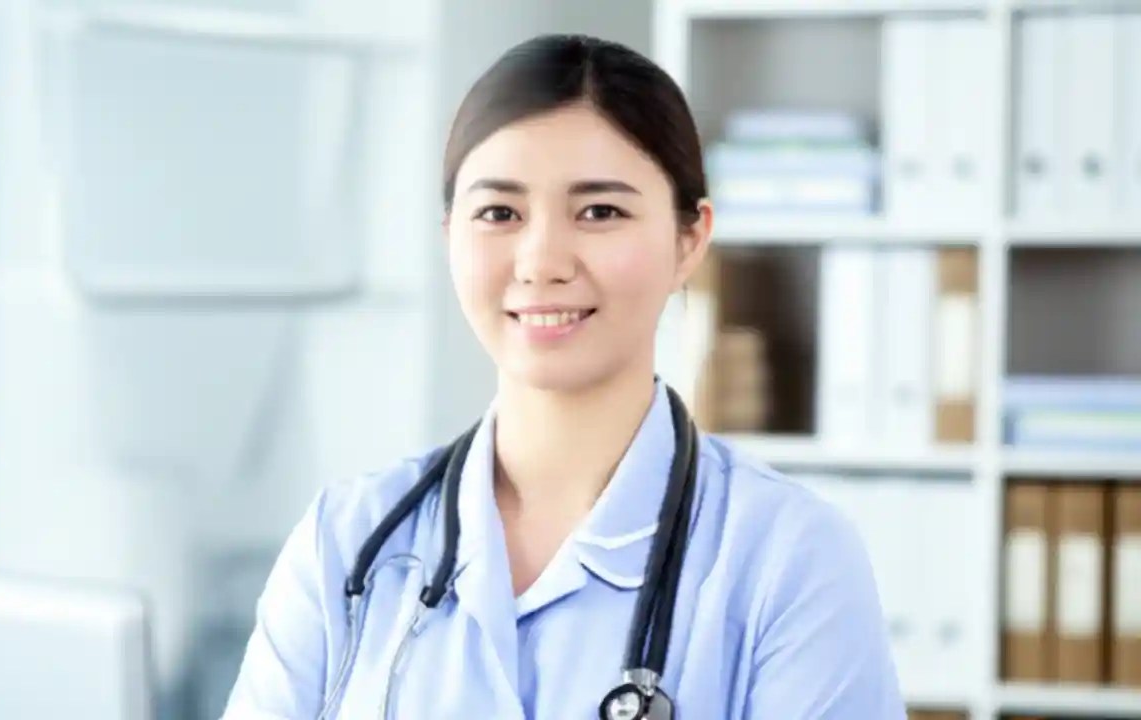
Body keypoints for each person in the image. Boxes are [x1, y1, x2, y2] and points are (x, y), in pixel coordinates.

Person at [220, 33, 905, 719]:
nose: (541, 260)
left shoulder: (790, 561)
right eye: (499, 213)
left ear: (689, 239)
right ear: (449, 233)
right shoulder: (346, 545)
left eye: (599, 211)